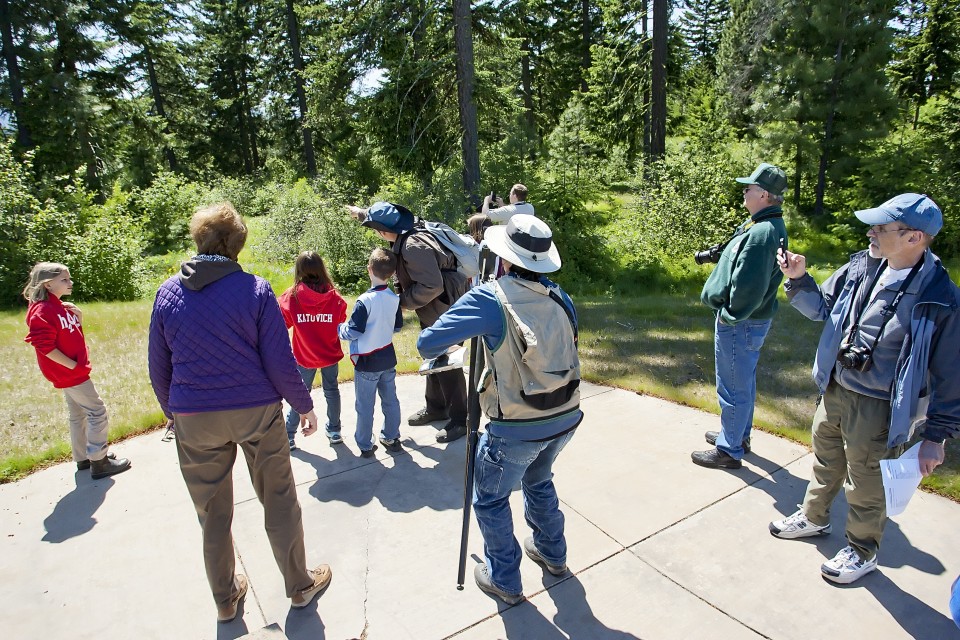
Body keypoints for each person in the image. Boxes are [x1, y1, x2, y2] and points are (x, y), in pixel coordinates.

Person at [148, 202, 331, 622]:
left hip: (195, 414)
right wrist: (303, 404)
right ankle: (300, 585)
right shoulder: (255, 289)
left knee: (212, 512)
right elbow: (278, 360)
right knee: (279, 497)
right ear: (236, 245)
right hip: (255, 410)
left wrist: (172, 412)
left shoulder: (167, 293)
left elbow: (159, 365)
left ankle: (225, 599)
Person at [769, 193, 960, 584]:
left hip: (880, 406)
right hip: (836, 386)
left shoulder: (941, 299)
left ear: (915, 238)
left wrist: (937, 436)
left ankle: (862, 550)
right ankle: (814, 517)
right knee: (825, 459)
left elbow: (950, 374)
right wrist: (798, 279)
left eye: (881, 227)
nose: (871, 232)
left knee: (867, 481)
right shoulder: (862, 264)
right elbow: (823, 309)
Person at [418, 214, 583, 605]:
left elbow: (428, 342)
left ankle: (505, 578)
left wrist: (474, 308)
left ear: (504, 257)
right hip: (566, 415)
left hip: (516, 426)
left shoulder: (490, 297)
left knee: (490, 498)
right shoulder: (560, 295)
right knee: (539, 480)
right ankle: (553, 553)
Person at [346, 201, 470, 443]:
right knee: (432, 357)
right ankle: (436, 407)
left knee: (446, 362)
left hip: (443, 307)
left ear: (383, 231)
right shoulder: (405, 233)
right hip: (436, 307)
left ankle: (459, 419)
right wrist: (359, 213)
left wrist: (399, 302)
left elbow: (432, 286)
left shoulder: (413, 246)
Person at [692, 162, 789, 469]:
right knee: (742, 381)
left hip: (742, 321)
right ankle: (737, 434)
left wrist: (730, 315)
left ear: (763, 194)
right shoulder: (763, 225)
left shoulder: (762, 233)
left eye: (748, 189)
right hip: (750, 320)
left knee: (733, 385)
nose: (744, 194)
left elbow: (750, 286)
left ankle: (729, 449)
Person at [22, 262, 131, 479]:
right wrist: (74, 366)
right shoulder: (42, 310)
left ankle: (83, 458)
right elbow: (44, 347)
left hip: (71, 371)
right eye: (64, 279)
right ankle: (99, 461)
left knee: (78, 414)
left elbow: (69, 334)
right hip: (71, 373)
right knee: (97, 412)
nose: (70, 283)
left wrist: (78, 317)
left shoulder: (59, 307)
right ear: (47, 284)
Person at [337, 248, 404, 457]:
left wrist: (340, 329)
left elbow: (354, 331)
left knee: (365, 406)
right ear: (392, 273)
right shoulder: (394, 298)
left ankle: (365, 444)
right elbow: (397, 327)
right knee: (390, 400)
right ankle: (391, 436)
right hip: (387, 357)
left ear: (369, 269)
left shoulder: (364, 301)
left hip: (367, 361)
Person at [278, 251, 348, 450]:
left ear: (299, 270)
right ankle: (335, 431)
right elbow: (341, 320)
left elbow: (282, 322)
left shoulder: (292, 296)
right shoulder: (334, 297)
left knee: (300, 394)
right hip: (329, 355)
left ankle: (289, 436)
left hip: (304, 356)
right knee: (332, 391)